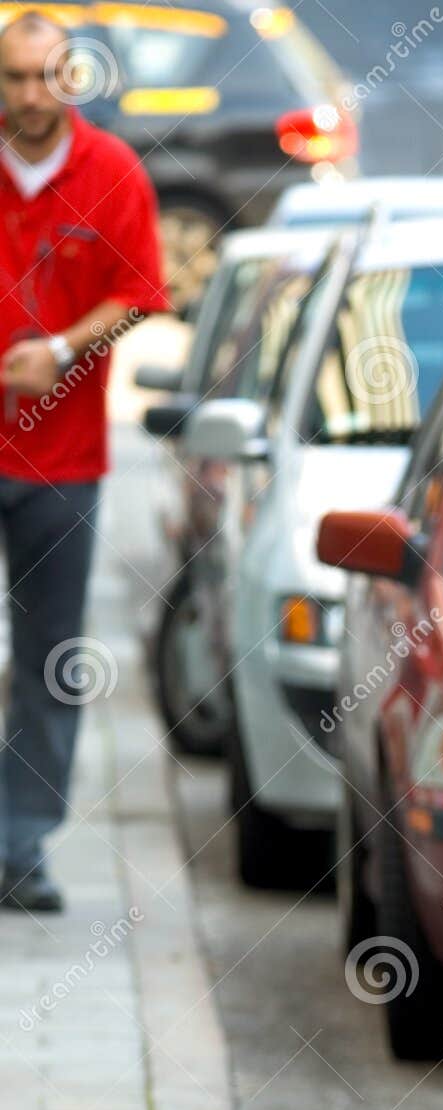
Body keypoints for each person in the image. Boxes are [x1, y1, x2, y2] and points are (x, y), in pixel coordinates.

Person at [0, 10, 167, 912]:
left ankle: (19, 847)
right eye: (14, 77)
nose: (30, 95)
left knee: (48, 658)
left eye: (45, 77)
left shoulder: (111, 172)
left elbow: (138, 291)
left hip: (62, 461)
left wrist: (62, 350)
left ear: (72, 79)